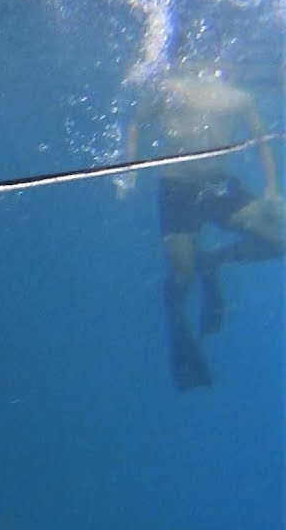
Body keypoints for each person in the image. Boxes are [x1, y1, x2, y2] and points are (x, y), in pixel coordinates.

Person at [120, 67, 283, 389]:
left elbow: (262, 141)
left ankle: (213, 260)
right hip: (176, 188)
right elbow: (137, 121)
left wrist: (272, 189)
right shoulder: (169, 88)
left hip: (218, 185)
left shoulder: (238, 97)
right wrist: (129, 168)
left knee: (280, 240)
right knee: (182, 276)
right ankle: (176, 319)